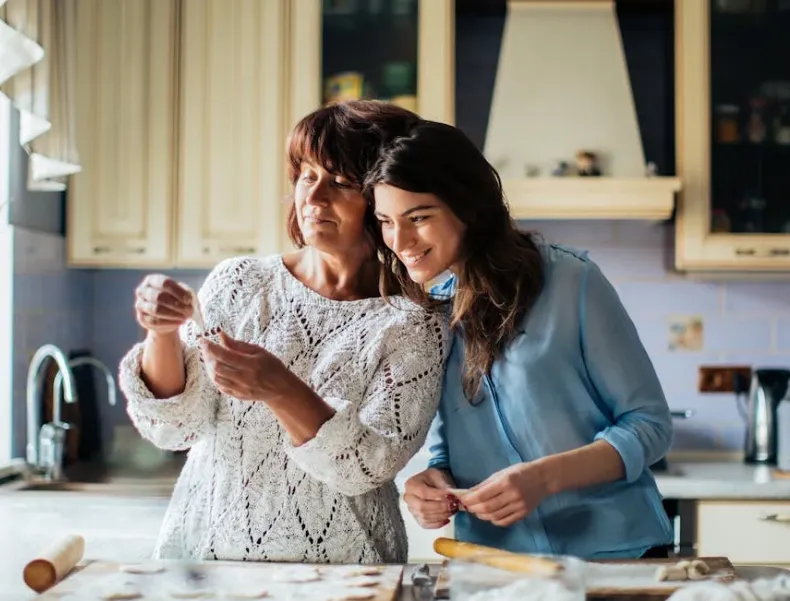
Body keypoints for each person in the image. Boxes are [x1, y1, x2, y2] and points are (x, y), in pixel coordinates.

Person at [118, 101, 449, 564]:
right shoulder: (240, 283)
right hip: (207, 561)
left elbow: (365, 466)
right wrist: (162, 333)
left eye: (339, 183)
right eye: (306, 176)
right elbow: (174, 428)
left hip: (346, 573)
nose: (313, 199)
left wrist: (280, 389)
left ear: (384, 198)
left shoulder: (414, 321)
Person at [366, 118, 674, 559]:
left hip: (616, 557)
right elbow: (447, 444)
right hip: (498, 567)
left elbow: (650, 426)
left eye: (418, 217)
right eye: (385, 221)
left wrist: (542, 479)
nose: (400, 240)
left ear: (467, 206)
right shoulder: (426, 314)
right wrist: (432, 481)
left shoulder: (572, 281)